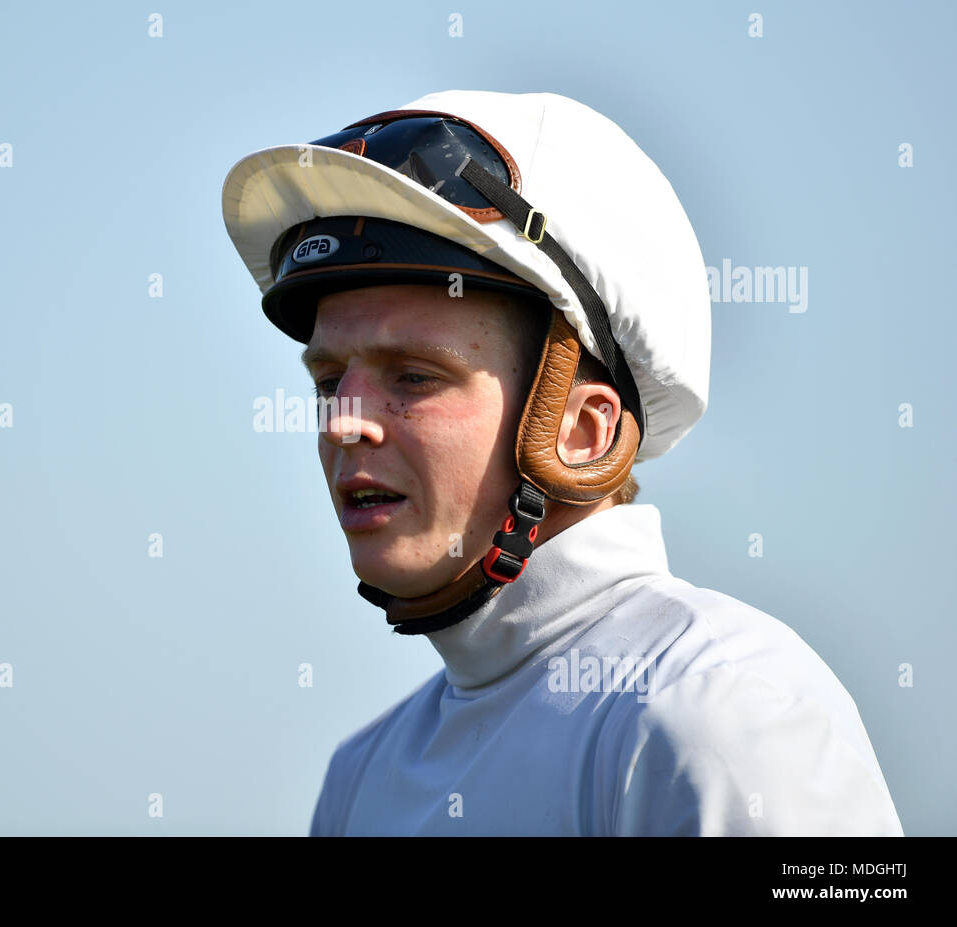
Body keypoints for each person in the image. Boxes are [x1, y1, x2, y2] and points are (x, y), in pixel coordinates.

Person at [221, 90, 904, 836]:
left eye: (413, 376)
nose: (342, 419)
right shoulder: (359, 779)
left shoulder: (720, 703)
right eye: (328, 382)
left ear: (580, 430)